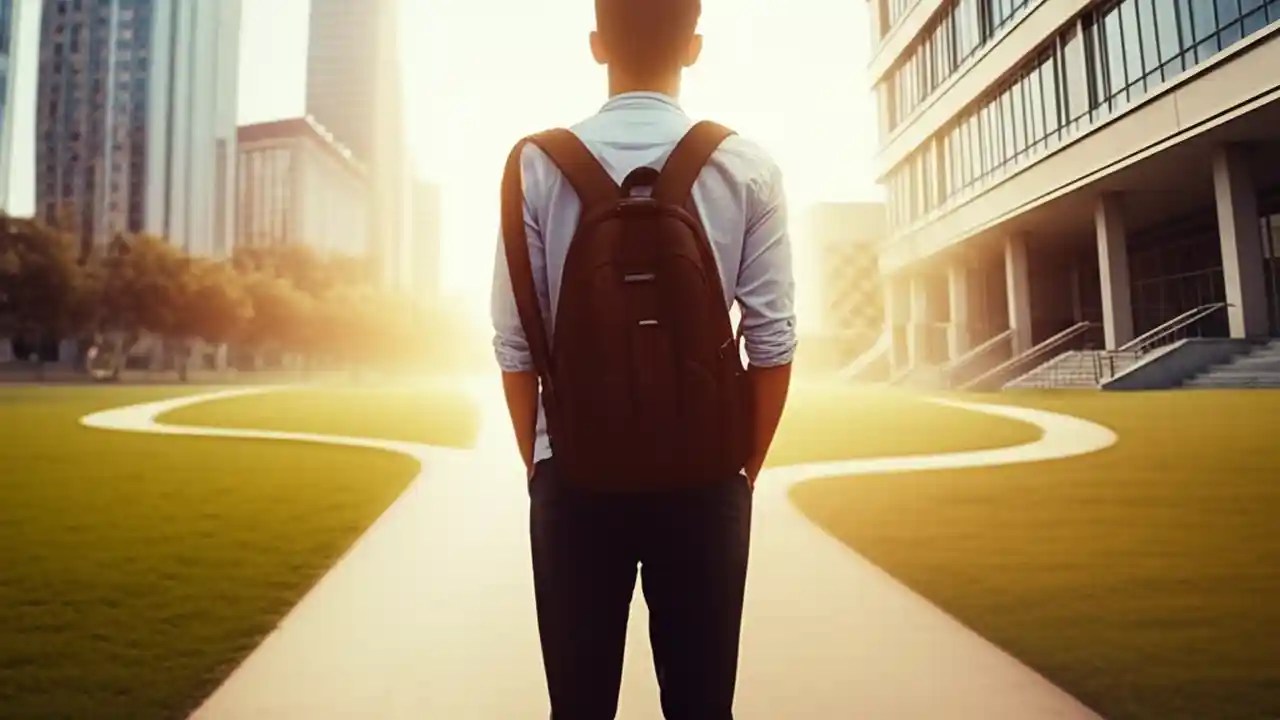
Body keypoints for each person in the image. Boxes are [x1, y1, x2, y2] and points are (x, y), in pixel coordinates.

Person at [490, 0, 796, 717]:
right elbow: (774, 343)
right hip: (703, 477)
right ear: (693, 47)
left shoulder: (535, 164)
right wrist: (740, 470)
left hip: (575, 474)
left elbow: (514, 345)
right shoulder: (748, 165)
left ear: (597, 44)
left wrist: (542, 460)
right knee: (699, 706)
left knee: (580, 704)